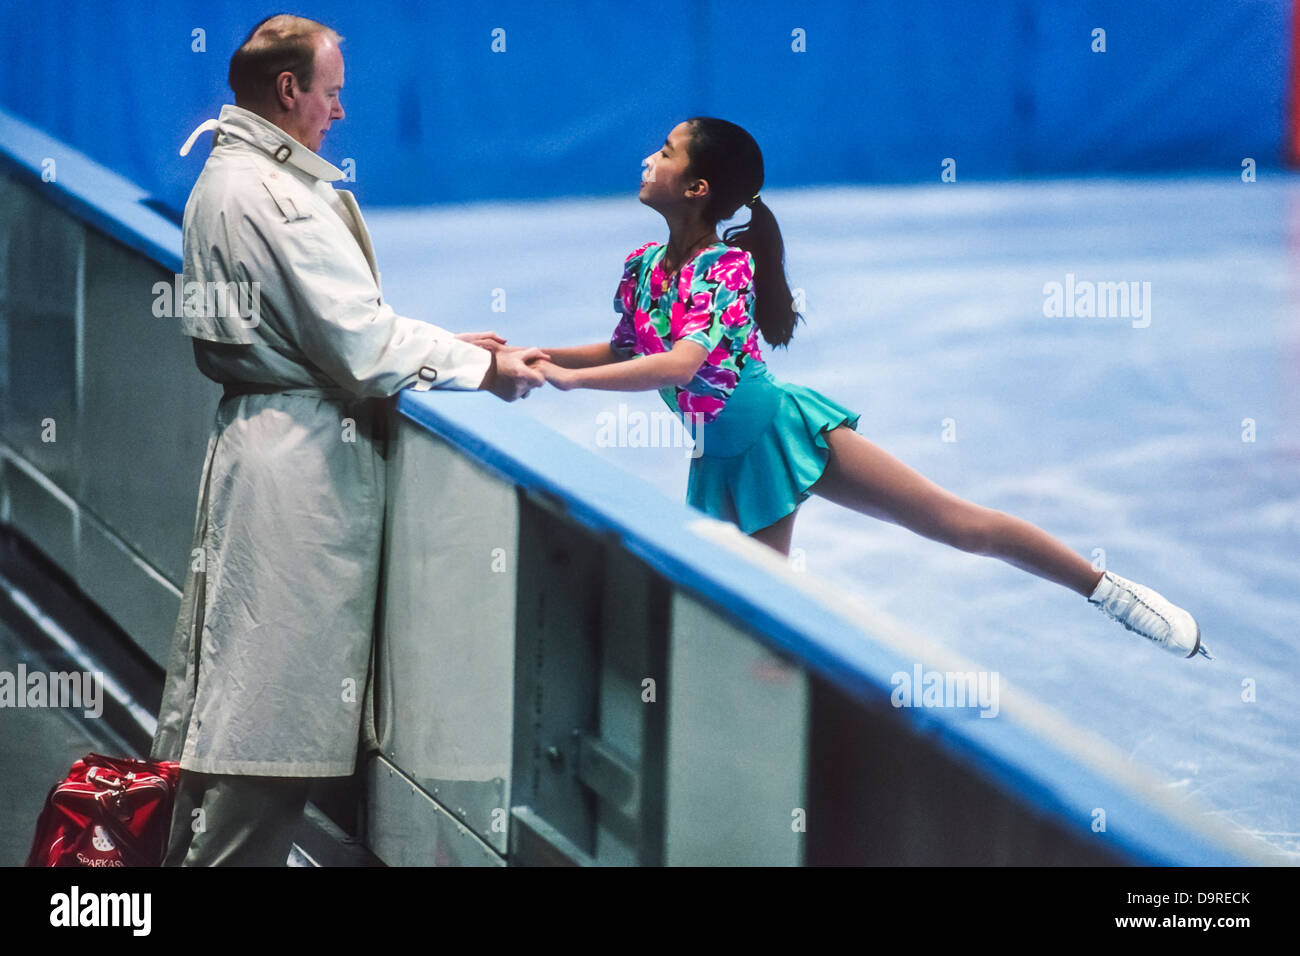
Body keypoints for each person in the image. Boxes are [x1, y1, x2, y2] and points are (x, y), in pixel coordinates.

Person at [534, 117, 1211, 661]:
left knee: (956, 529)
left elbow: (681, 363)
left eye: (666, 151)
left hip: (773, 433)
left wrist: (570, 380)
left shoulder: (725, 269)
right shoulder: (643, 268)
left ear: (698, 187)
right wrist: (533, 355)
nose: (648, 159)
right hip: (718, 454)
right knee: (743, 614)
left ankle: (1111, 593)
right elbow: (627, 347)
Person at [150, 14, 547, 866]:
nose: (339, 113)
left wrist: (438, 342)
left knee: (238, 707)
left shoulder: (232, 174)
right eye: (331, 93)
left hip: (266, 447)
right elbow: (360, 346)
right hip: (295, 472)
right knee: (267, 724)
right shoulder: (275, 196)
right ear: (289, 90)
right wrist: (480, 369)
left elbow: (327, 323)